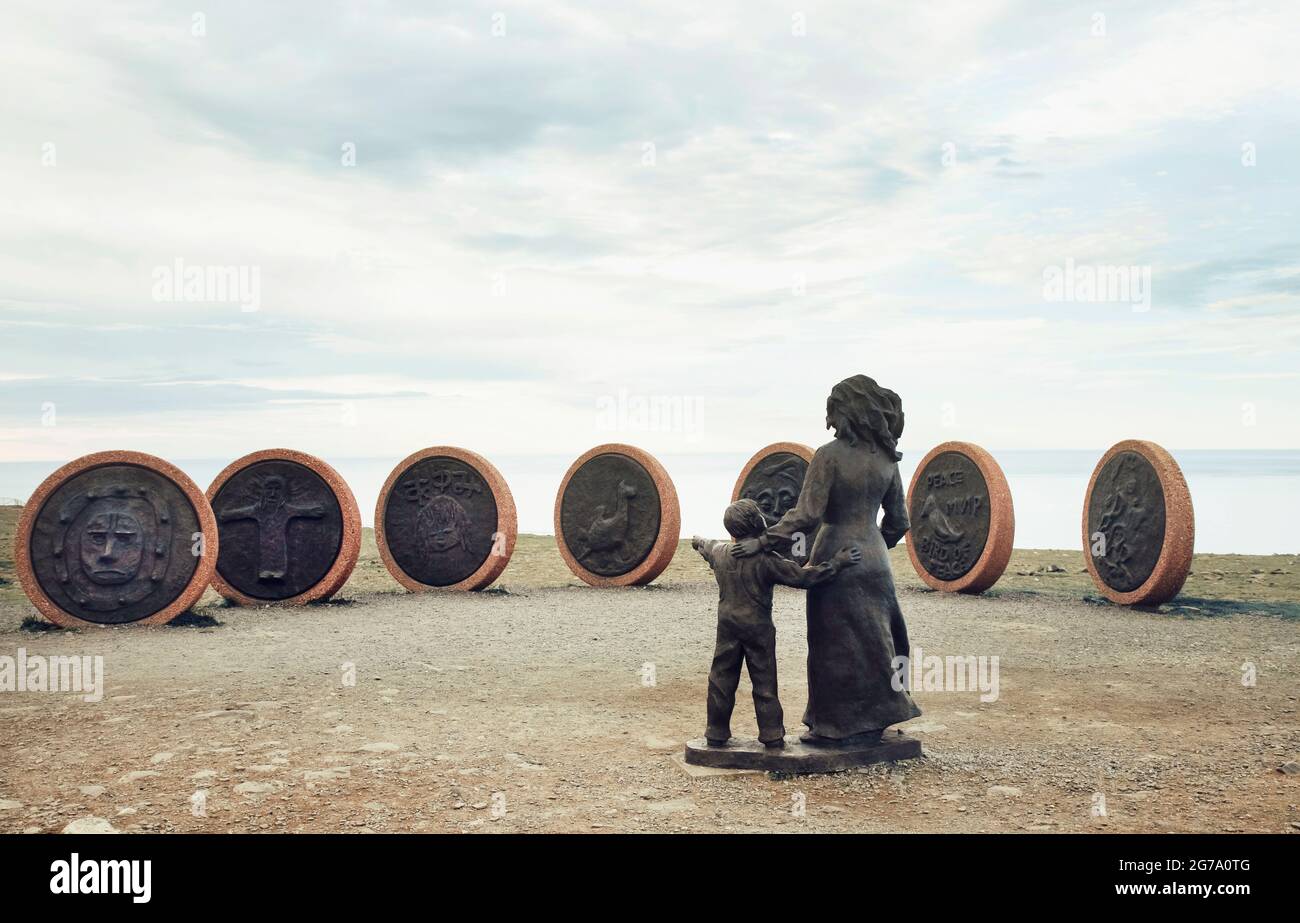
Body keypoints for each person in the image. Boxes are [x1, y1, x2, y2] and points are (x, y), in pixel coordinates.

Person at [730, 375, 923, 745]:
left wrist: (762, 541)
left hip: (834, 553)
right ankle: (878, 716)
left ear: (847, 411)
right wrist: (876, 546)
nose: (828, 420)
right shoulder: (886, 460)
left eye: (832, 410)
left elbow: (806, 515)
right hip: (874, 559)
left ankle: (835, 725)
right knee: (878, 637)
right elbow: (899, 521)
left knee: (834, 642)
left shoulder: (828, 456)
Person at [693, 498, 861, 748]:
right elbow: (805, 577)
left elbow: (706, 545)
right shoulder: (766, 560)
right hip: (758, 629)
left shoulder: (720, 553)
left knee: (720, 679)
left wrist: (696, 540)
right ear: (756, 522)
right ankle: (771, 734)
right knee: (764, 683)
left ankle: (715, 731)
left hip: (727, 626)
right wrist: (838, 563)